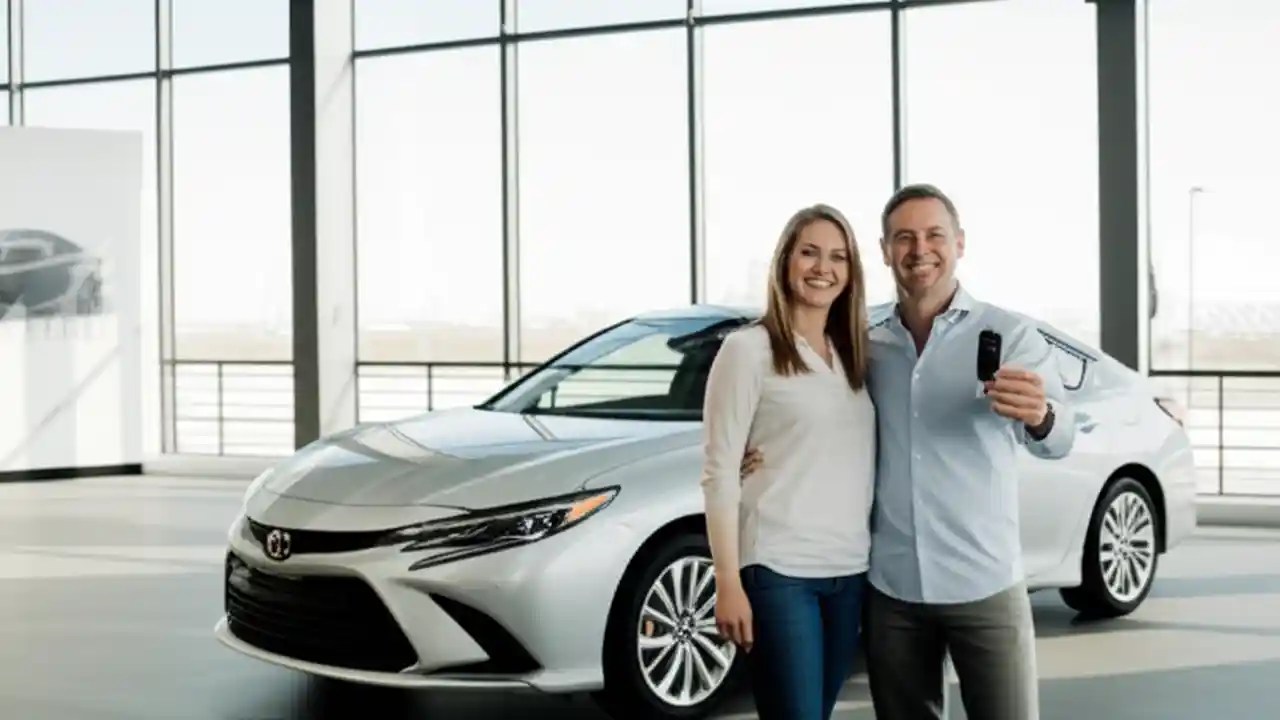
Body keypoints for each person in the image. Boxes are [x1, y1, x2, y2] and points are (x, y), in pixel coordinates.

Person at [741, 183, 1076, 719]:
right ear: (884, 250)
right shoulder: (862, 340)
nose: (920, 249)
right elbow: (806, 403)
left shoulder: (1009, 335)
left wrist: (1042, 415)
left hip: (984, 583)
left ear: (959, 243)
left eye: (934, 235)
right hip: (891, 590)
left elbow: (1060, 440)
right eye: (904, 237)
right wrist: (752, 451)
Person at [700, 203, 877, 720]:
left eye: (838, 257)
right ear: (784, 262)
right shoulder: (747, 349)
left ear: (851, 273)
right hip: (778, 569)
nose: (823, 267)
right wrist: (727, 582)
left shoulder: (855, 355)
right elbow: (717, 472)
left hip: (849, 569)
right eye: (809, 253)